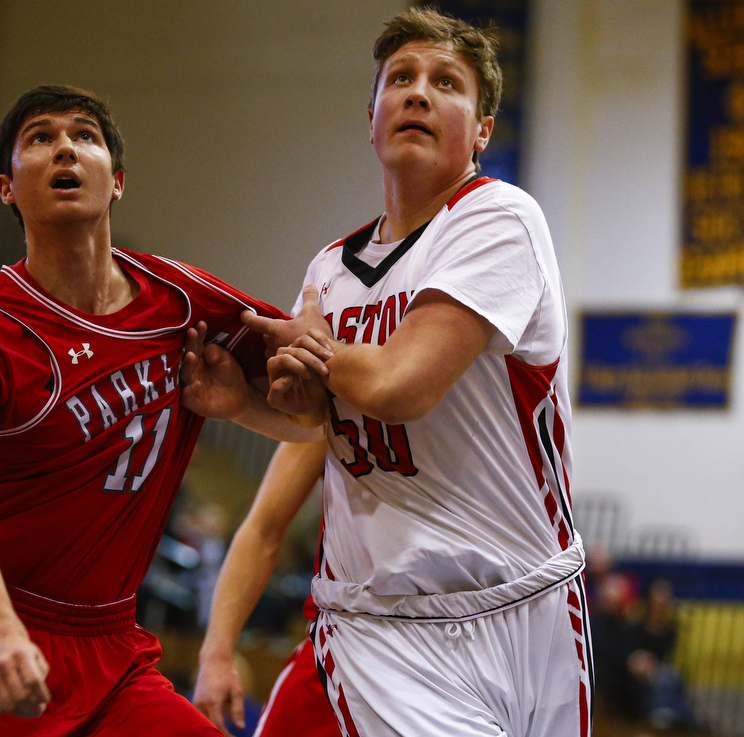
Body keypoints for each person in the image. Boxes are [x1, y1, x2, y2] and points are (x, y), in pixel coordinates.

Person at [0, 85, 316, 737]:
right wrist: (2, 635)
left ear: (117, 180)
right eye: (39, 137)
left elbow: (313, 421)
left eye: (84, 135)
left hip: (107, 652)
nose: (64, 145)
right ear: (7, 188)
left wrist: (240, 409)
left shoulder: (184, 300)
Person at [231, 8, 590, 737]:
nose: (418, 93)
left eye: (445, 83)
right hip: (374, 620)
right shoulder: (329, 270)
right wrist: (239, 399)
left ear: (482, 129)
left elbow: (400, 386)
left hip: (520, 610)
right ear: (371, 118)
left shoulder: (500, 218)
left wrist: (312, 352)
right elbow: (318, 427)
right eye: (401, 79)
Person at [193, 440, 339, 737]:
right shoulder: (335, 416)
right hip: (340, 644)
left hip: (448, 642)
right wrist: (216, 656)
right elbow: (262, 530)